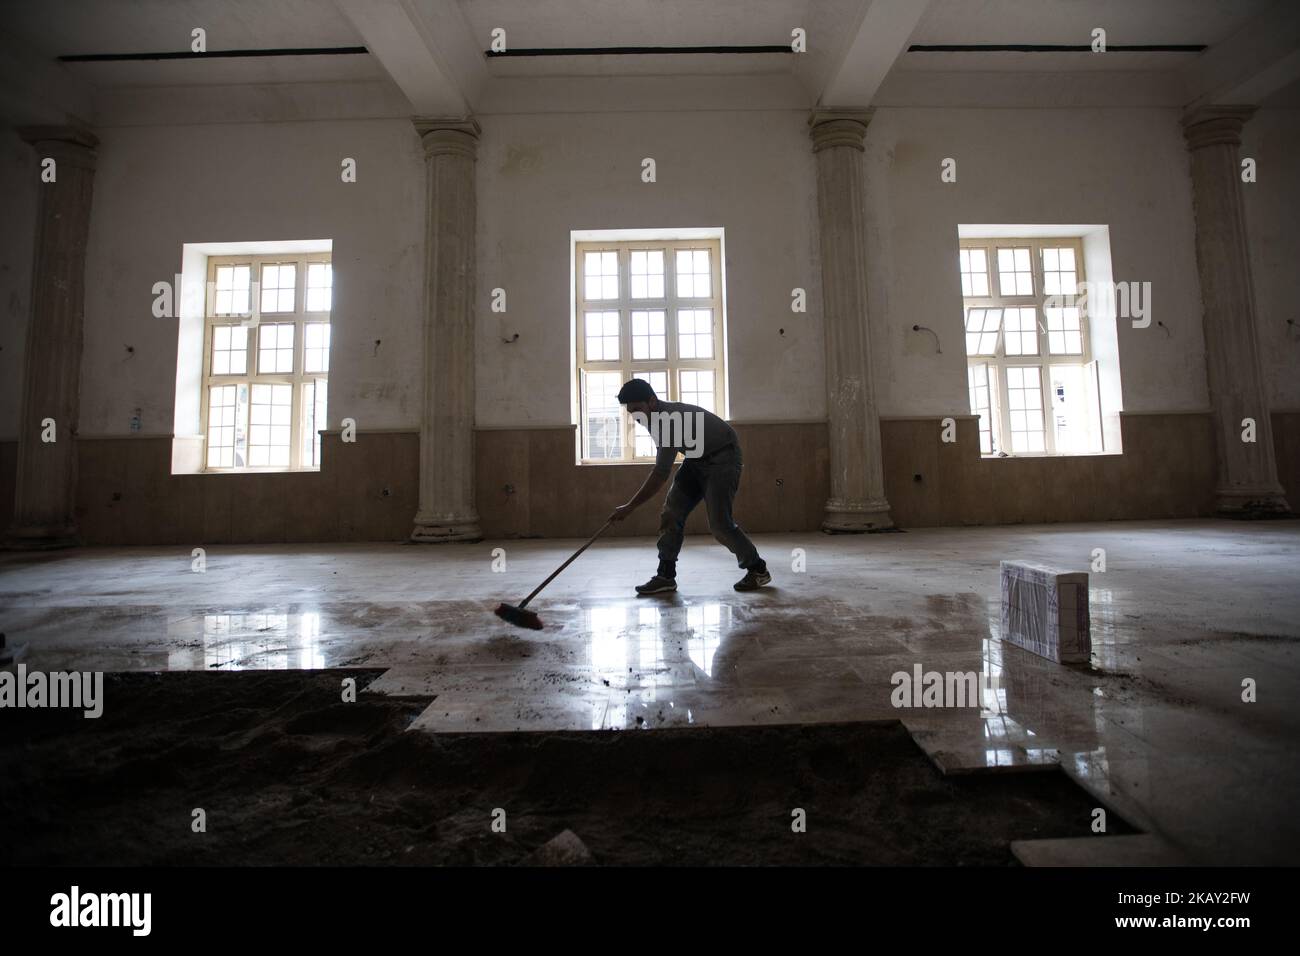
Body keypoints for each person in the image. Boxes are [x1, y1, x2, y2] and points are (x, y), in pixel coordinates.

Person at [607, 379, 770, 594]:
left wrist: (630, 506)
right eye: (630, 412)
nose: (635, 417)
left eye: (637, 410)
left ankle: (758, 569)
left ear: (652, 402)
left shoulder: (668, 422)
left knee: (720, 525)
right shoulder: (653, 419)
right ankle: (665, 576)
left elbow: (660, 474)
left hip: (724, 457)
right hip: (695, 460)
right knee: (671, 514)